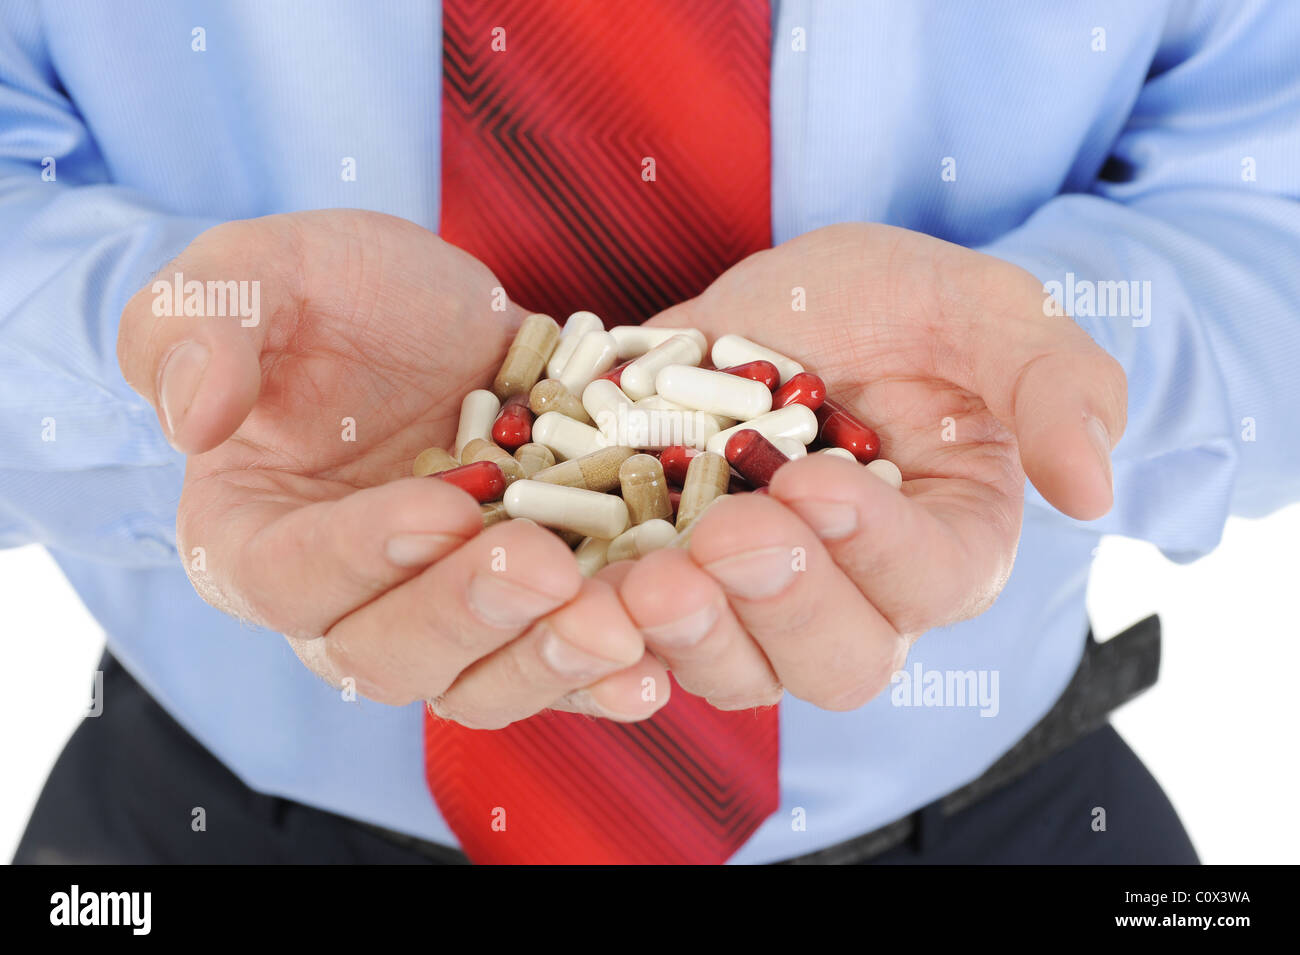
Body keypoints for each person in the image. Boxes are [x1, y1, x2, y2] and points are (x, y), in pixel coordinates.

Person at [4, 0, 1297, 864]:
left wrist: (1055, 353)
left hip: (1007, 817)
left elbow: (1268, 193)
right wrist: (177, 360)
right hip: (200, 827)